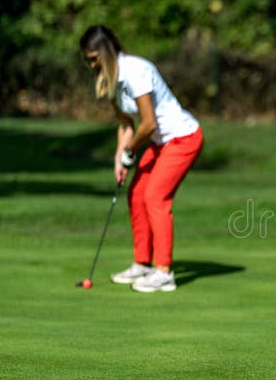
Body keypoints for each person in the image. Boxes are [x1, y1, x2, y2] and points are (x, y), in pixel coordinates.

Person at [79, 25, 204, 293]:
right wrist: (118, 158)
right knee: (136, 194)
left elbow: (147, 124)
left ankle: (164, 272)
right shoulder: (111, 80)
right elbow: (126, 125)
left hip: (183, 137)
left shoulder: (135, 71)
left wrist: (130, 152)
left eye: (93, 59)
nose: (91, 65)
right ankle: (143, 264)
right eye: (87, 60)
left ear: (105, 52)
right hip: (162, 142)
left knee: (155, 197)